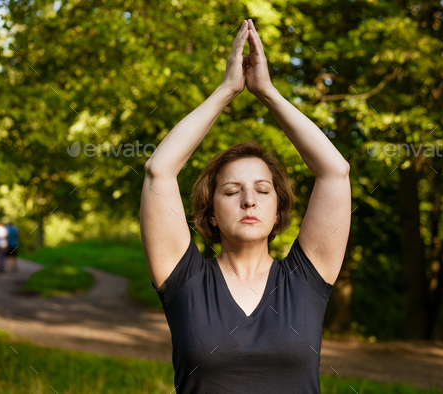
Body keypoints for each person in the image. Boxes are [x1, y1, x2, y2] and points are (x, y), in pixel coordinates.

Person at [140, 19, 351, 393]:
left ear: (278, 210)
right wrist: (226, 91)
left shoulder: (306, 278)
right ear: (210, 212)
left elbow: (335, 172)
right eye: (232, 191)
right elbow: (159, 170)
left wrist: (267, 92)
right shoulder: (186, 281)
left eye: (262, 190)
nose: (249, 200)